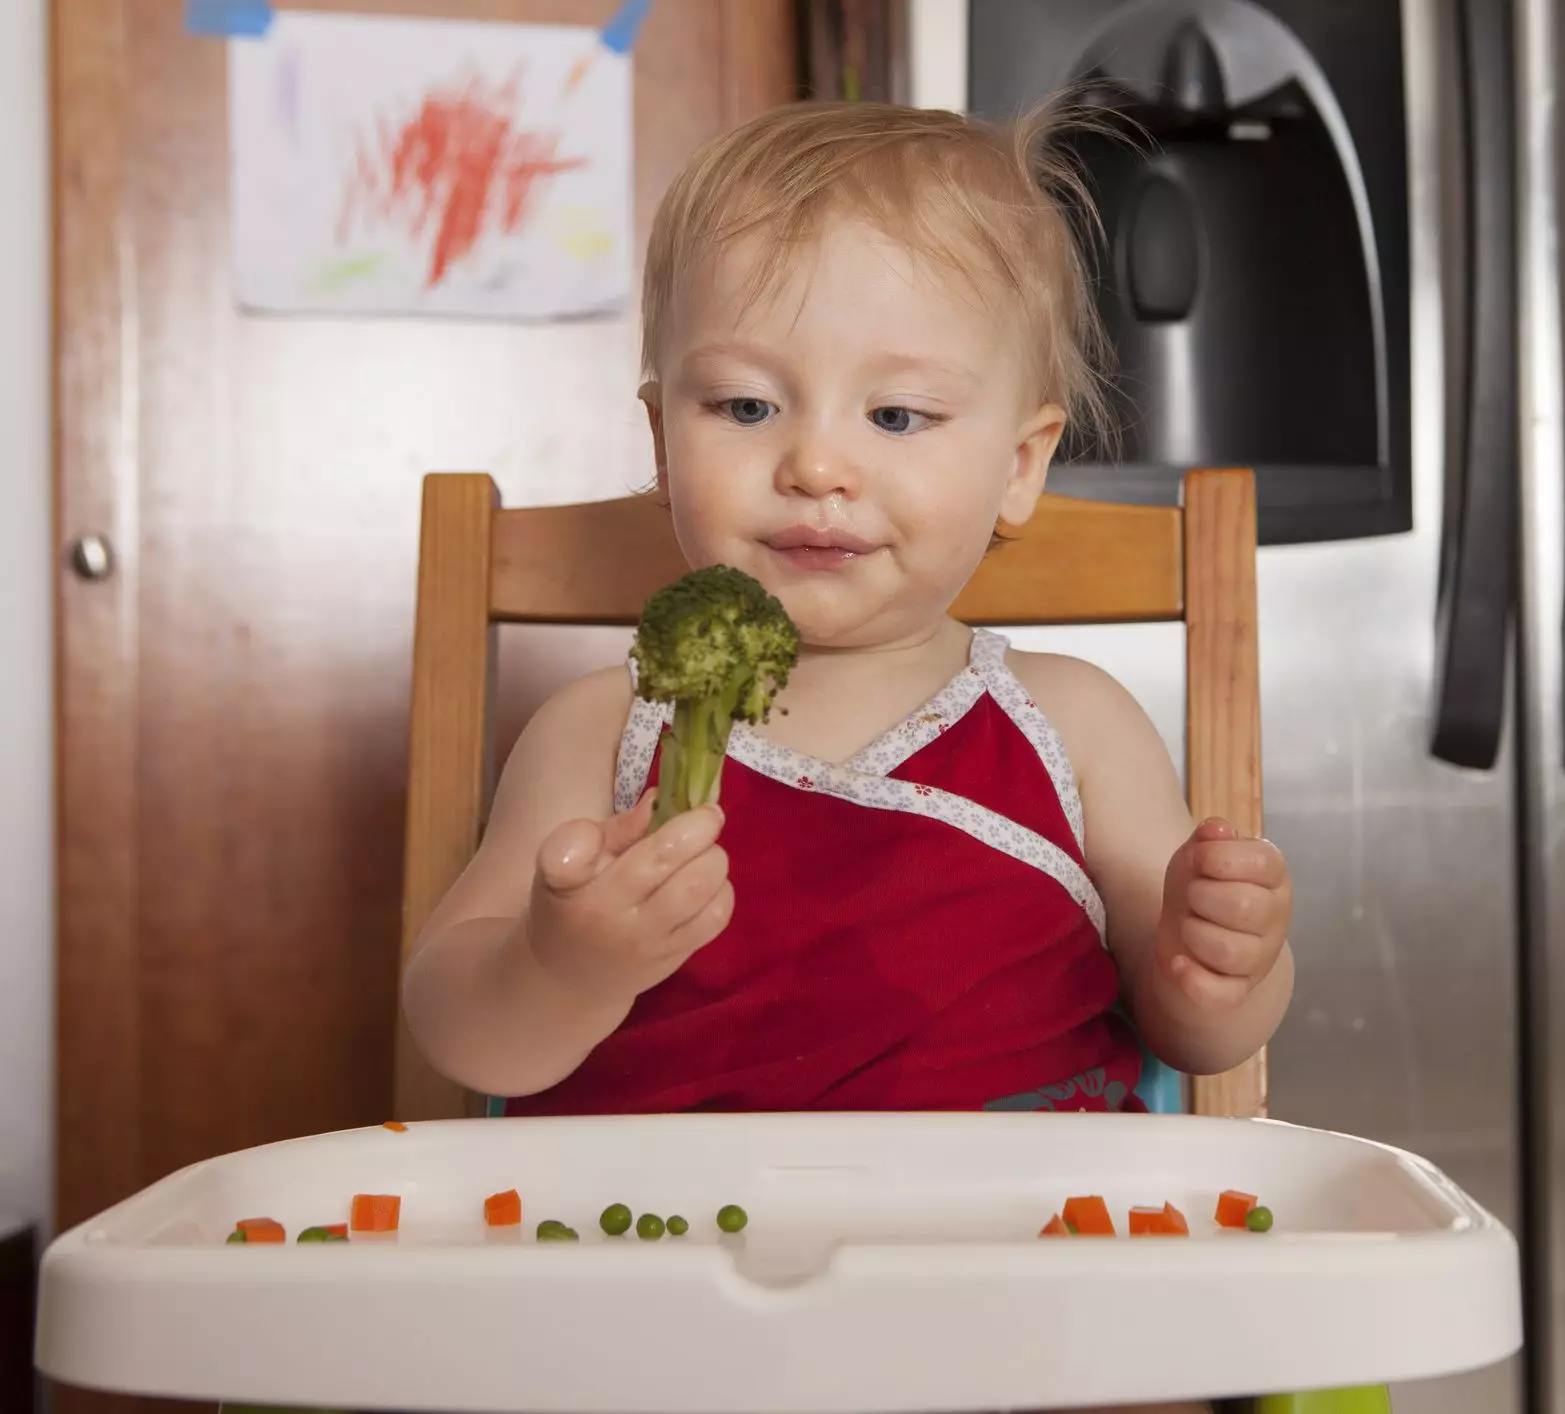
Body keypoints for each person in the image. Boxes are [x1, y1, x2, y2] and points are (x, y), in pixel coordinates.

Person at [402, 97, 1292, 1133]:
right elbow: (454, 1024)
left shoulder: (1078, 725)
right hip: (653, 1263)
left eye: (896, 415)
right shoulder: (601, 731)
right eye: (745, 406)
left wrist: (1226, 961)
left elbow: (1203, 1034)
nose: (817, 465)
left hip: (1021, 1258)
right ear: (660, 439)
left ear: (1018, 465)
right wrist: (558, 965)